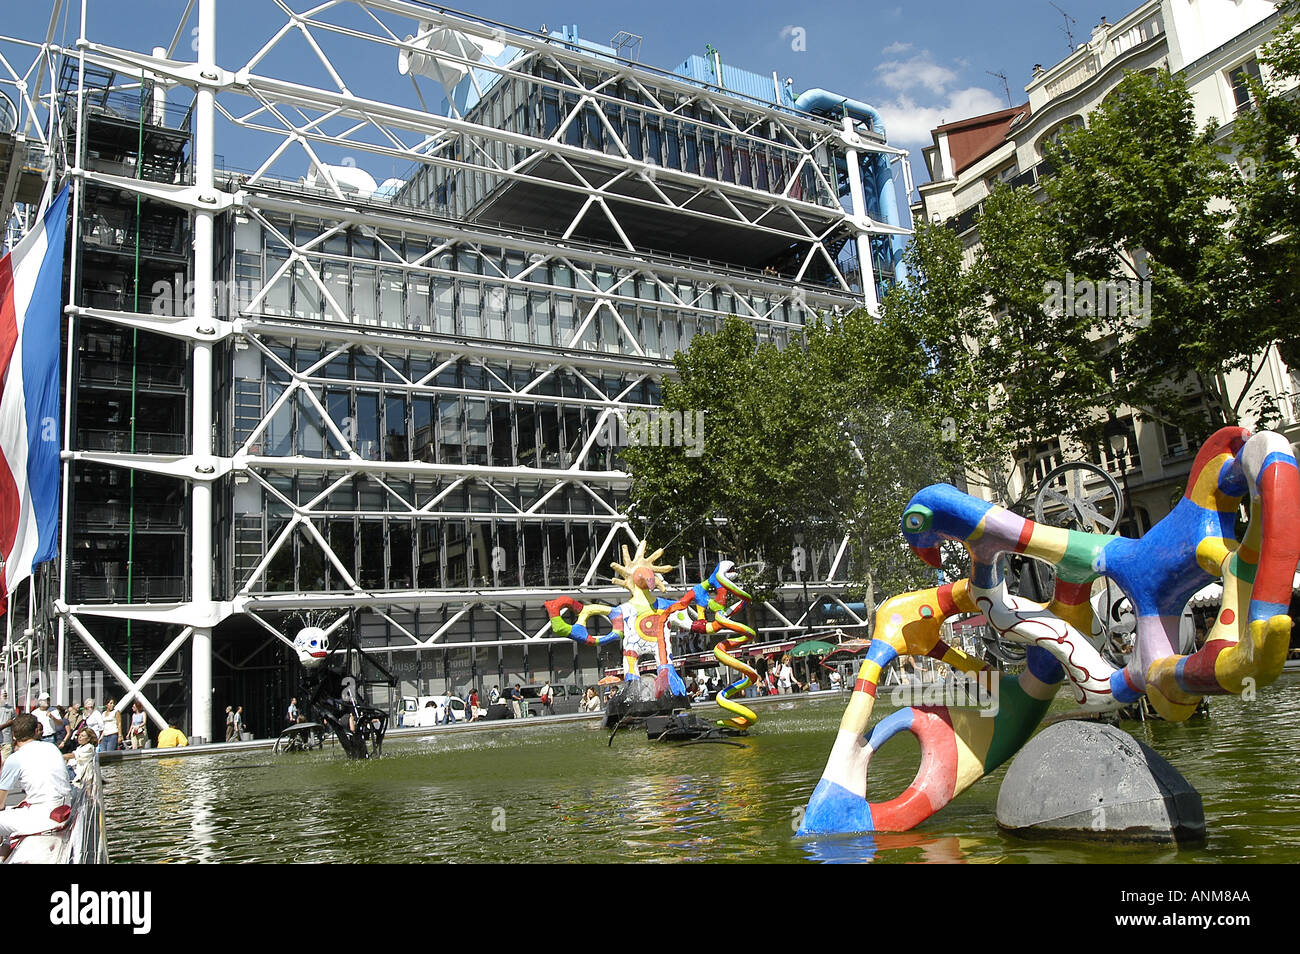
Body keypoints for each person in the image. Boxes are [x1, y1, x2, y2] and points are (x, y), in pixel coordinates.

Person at [0, 714, 73, 852]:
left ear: (14, 735)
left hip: (42, 818)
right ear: (36, 731)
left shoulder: (15, 758)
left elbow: (0, 803)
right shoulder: (52, 748)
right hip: (63, 810)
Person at [0, 690, 14, 759]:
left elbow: (15, 722)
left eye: (6, 694)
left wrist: (14, 738)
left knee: (4, 763)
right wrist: (7, 724)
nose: (5, 696)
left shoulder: (10, 709)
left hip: (7, 741)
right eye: (3, 694)